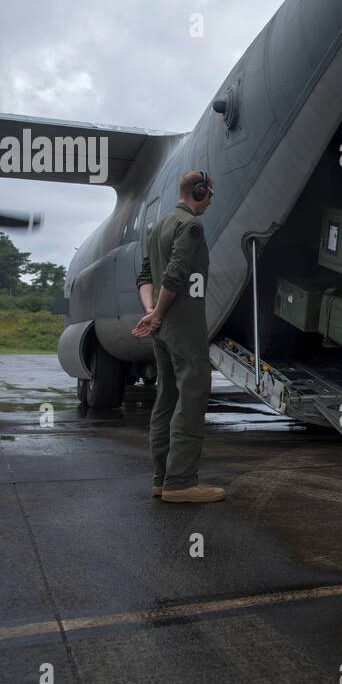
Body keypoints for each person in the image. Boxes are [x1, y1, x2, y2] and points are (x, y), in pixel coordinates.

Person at [132, 170, 225, 503]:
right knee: (194, 393)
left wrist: (151, 313)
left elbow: (146, 274)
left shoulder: (160, 226)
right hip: (183, 323)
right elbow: (175, 275)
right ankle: (181, 483)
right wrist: (158, 313)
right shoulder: (191, 226)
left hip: (162, 327)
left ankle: (162, 478)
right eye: (210, 195)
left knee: (167, 395)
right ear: (199, 192)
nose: (211, 202)